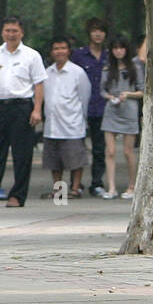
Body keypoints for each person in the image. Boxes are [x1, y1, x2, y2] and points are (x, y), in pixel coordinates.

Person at [0, 16, 46, 208]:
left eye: (14, 31)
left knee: (22, 154)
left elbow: (39, 84)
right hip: (0, 107)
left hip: (22, 107)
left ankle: (17, 196)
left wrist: (37, 110)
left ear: (21, 33)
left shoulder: (31, 55)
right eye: (8, 31)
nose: (11, 34)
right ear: (2, 32)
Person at [40, 38, 91, 198]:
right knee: (55, 162)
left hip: (72, 124)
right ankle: (59, 190)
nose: (59, 51)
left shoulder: (78, 72)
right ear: (52, 52)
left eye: (63, 48)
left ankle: (75, 189)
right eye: (56, 48)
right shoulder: (47, 73)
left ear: (69, 51)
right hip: (52, 124)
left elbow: (84, 98)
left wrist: (81, 119)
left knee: (75, 159)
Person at [101, 35, 144, 199]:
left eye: (121, 48)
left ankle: (132, 186)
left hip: (129, 111)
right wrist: (109, 97)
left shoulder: (135, 68)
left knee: (128, 152)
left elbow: (142, 91)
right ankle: (111, 188)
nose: (118, 51)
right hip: (111, 111)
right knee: (110, 151)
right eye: (115, 48)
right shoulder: (107, 68)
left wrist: (128, 94)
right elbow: (102, 90)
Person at [70, 17, 109, 195]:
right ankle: (74, 184)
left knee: (100, 148)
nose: (98, 34)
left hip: (103, 107)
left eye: (101, 30)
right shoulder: (78, 55)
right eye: (94, 30)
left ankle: (97, 182)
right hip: (80, 107)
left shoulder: (109, 55)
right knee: (76, 146)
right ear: (89, 33)